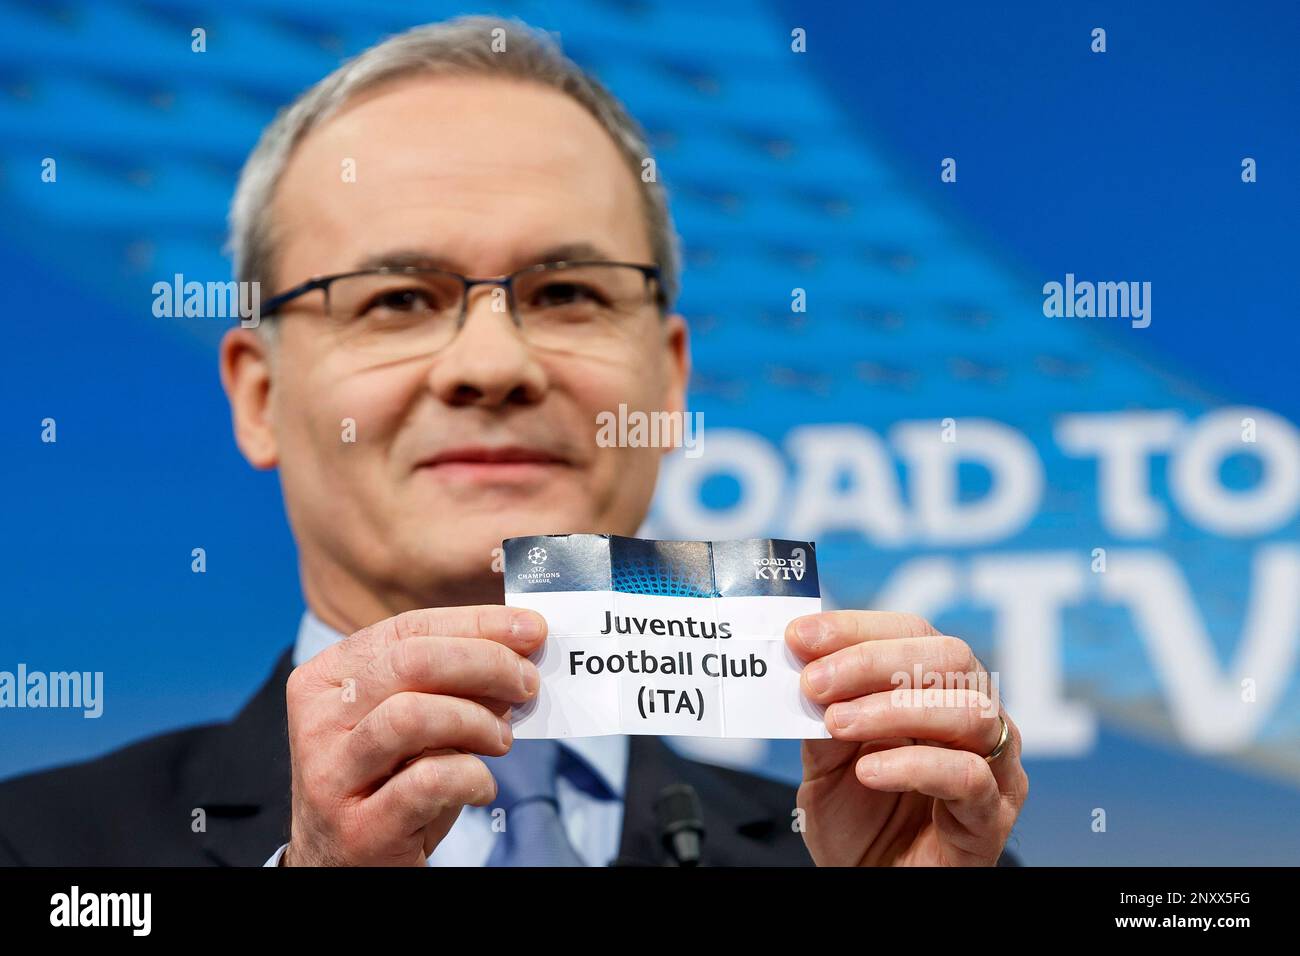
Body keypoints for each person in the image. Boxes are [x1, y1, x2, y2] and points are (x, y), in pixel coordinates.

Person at [0, 15, 1026, 867]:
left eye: (568, 293)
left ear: (667, 378)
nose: (491, 364)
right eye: (398, 298)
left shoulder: (896, 842)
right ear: (259, 395)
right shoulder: (38, 849)